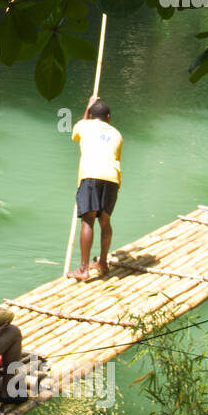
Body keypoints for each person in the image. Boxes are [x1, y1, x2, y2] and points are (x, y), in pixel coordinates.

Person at [68, 95, 122, 281]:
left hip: (91, 175)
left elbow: (76, 133)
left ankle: (83, 269)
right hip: (112, 178)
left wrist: (87, 106)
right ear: (108, 118)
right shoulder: (117, 134)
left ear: (91, 115)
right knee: (105, 221)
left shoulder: (85, 125)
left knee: (88, 221)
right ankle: (103, 263)